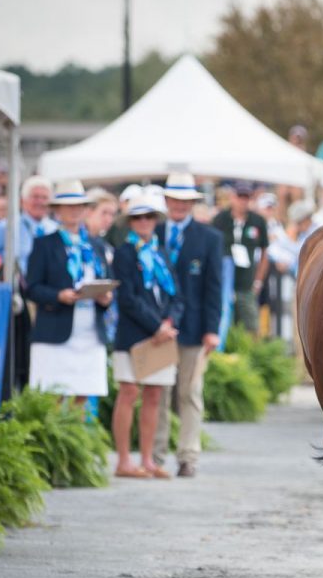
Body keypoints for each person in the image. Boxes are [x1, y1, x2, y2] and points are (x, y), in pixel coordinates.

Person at [151, 172, 223, 478]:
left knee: (190, 393)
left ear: (192, 203)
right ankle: (154, 456)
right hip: (157, 328)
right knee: (158, 393)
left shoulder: (210, 238)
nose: (179, 205)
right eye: (174, 200)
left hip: (194, 328)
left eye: (185, 201)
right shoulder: (150, 232)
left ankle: (187, 456)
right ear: (166, 201)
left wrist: (212, 329)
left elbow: (214, 286)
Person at [111, 196, 183, 480]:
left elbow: (177, 295)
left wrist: (169, 322)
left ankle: (148, 459)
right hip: (134, 335)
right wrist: (156, 326)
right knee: (129, 393)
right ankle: (124, 460)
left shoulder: (161, 253)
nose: (144, 222)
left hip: (161, 336)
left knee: (154, 395)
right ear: (130, 222)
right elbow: (127, 298)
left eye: (149, 217)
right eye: (138, 218)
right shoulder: (124, 253)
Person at [25, 181, 113, 401]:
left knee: (82, 396)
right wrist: (58, 296)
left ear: (84, 209)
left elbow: (107, 279)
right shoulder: (44, 244)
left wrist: (106, 298)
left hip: (89, 330)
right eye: (67, 206)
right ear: (57, 210)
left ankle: (77, 435)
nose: (74, 211)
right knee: (54, 396)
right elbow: (32, 288)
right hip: (56, 329)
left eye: (78, 206)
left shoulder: (96, 246)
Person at [0, 175, 56, 281]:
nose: (40, 202)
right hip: (17, 294)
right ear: (22, 201)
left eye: (44, 198)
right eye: (35, 197)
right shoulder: (8, 227)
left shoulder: (54, 228)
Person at [213, 181, 269, 333]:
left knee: (251, 328)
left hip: (247, 284)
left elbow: (265, 252)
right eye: (240, 196)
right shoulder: (220, 219)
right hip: (224, 282)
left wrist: (258, 281)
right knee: (224, 326)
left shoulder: (258, 221)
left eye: (246, 197)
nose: (243, 201)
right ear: (232, 197)